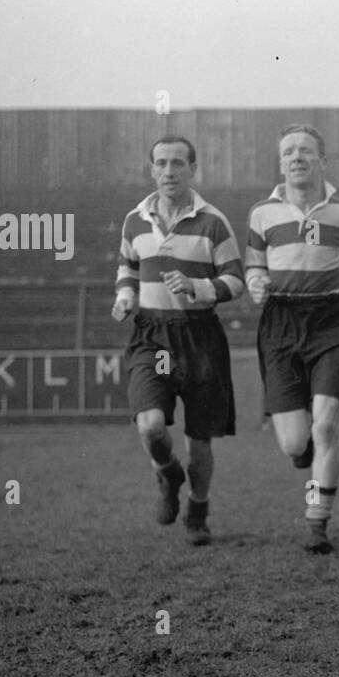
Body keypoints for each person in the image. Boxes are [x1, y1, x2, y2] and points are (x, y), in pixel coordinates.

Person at [244, 124, 339, 554]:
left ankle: (318, 521)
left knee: (326, 423)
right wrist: (256, 283)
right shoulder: (262, 214)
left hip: (330, 318)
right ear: (280, 163)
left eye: (305, 150)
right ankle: (302, 455)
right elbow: (253, 266)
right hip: (280, 319)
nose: (296, 157)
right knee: (294, 442)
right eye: (288, 152)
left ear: (323, 160)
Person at [112, 135, 245, 545]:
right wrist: (125, 296)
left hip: (199, 337)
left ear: (193, 169)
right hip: (152, 335)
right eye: (162, 163)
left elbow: (236, 281)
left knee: (200, 442)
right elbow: (127, 268)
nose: (169, 171)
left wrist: (197, 285)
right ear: (151, 169)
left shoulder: (213, 222)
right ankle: (169, 474)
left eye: (178, 164)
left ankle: (198, 513)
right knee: (151, 426)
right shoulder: (135, 219)